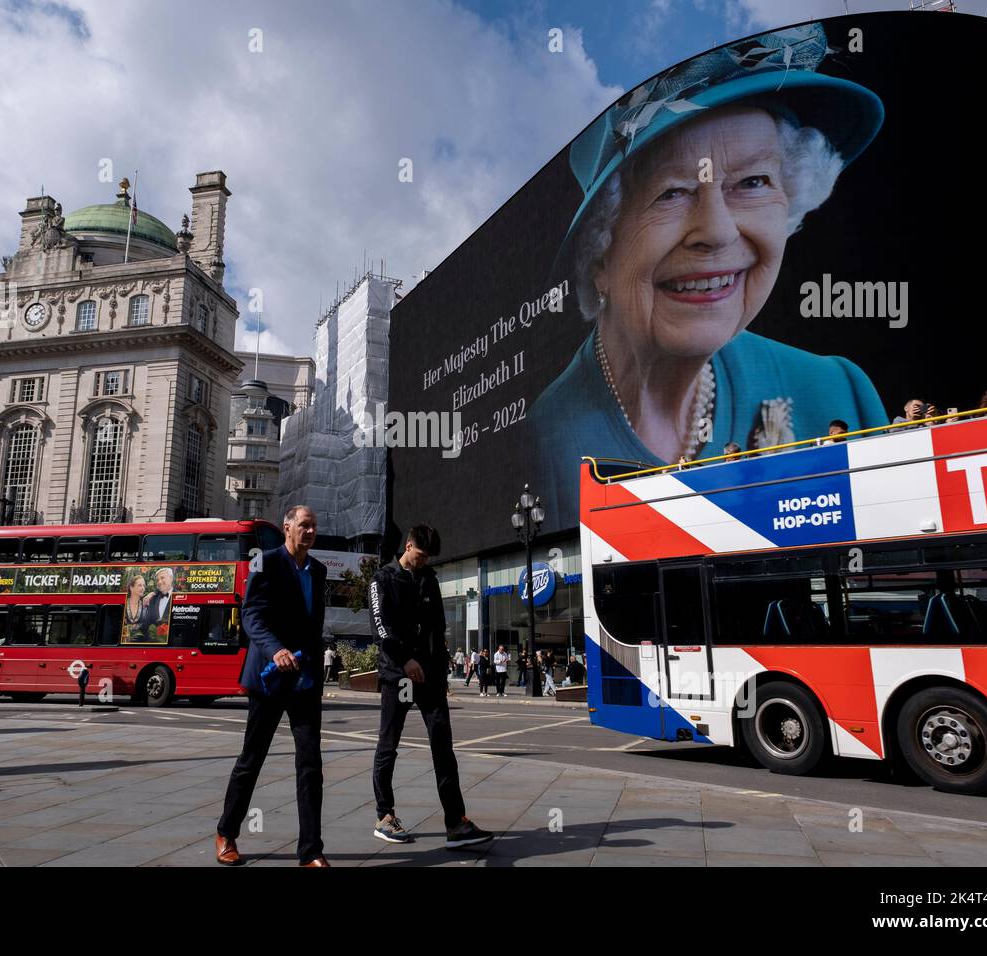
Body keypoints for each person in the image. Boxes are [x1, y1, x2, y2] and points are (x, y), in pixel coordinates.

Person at [531, 22, 887, 524]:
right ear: (600, 256)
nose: (717, 233)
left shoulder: (838, 391)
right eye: (671, 192)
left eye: (753, 181)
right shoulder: (543, 440)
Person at [368, 524, 493, 849]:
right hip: (399, 675)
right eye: (420, 555)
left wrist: (442, 670)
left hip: (431, 678)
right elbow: (381, 627)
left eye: (428, 557)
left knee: (443, 745)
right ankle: (385, 816)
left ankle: (456, 822)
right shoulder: (382, 578)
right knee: (388, 744)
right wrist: (406, 659)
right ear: (408, 546)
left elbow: (438, 627)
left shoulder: (429, 579)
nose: (423, 561)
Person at [217, 505, 329, 867]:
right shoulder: (265, 561)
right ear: (287, 528)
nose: (310, 531)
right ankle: (227, 832)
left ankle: (311, 850)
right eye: (303, 525)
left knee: (310, 765)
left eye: (313, 526)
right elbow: (251, 614)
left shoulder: (319, 570)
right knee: (252, 759)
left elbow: (313, 626)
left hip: (306, 682)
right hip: (269, 677)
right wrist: (275, 649)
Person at [141, 567, 175, 640]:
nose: (159, 582)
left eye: (162, 578)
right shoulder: (152, 598)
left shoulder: (181, 596)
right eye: (157, 580)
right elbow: (146, 624)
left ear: (171, 578)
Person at [122, 573, 149, 643]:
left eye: (144, 586)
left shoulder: (145, 605)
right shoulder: (123, 604)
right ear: (131, 588)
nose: (143, 588)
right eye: (140, 585)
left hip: (141, 645)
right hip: (123, 645)